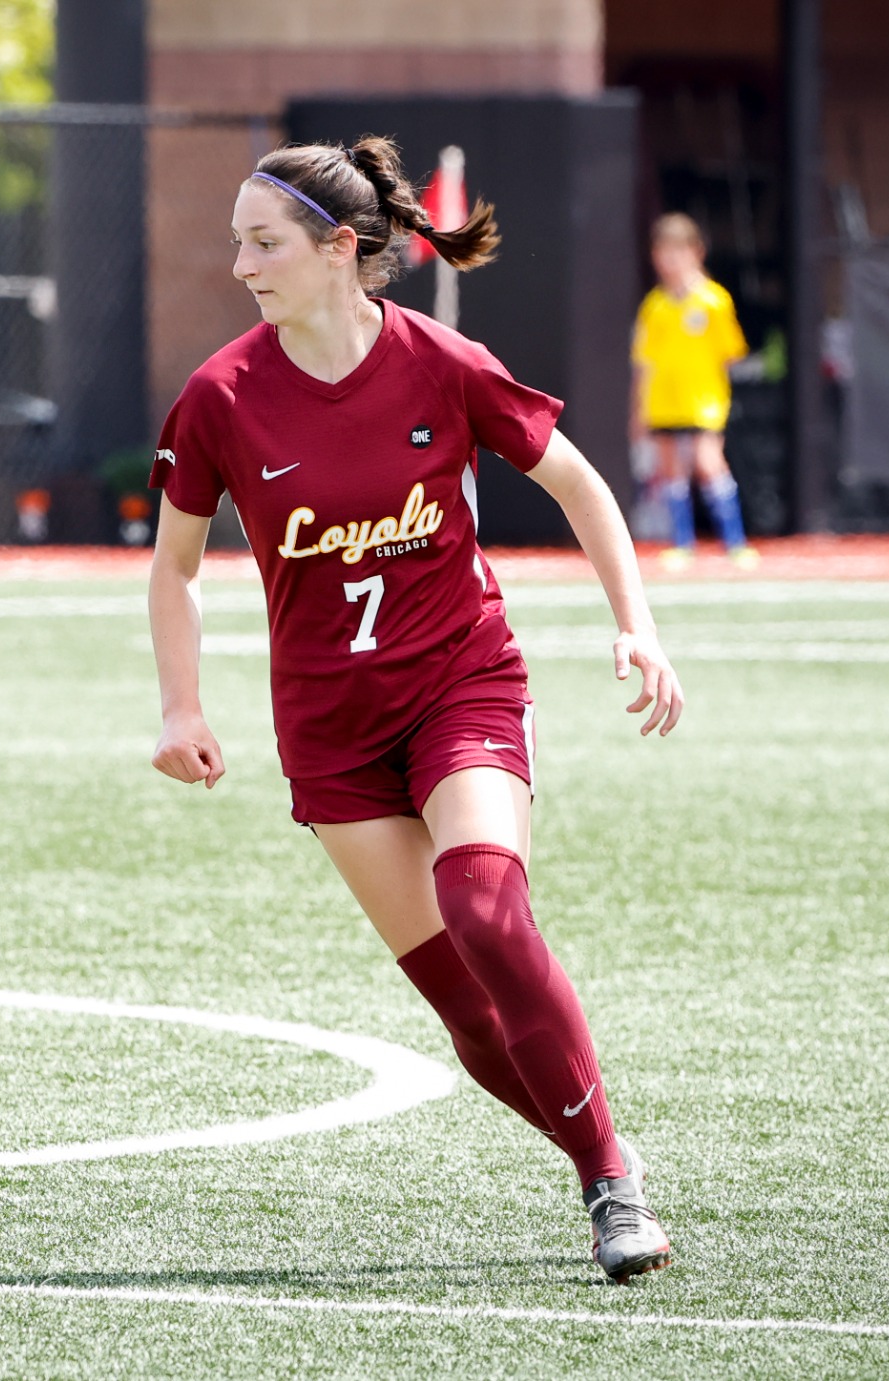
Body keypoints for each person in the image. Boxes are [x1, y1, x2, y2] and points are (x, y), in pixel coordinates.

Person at [146, 138, 684, 1282]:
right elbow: (176, 565)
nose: (239, 262)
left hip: (459, 683)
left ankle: (608, 1187)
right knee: (468, 1021)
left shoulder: (440, 362)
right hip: (330, 735)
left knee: (483, 905)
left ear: (341, 250)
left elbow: (580, 482)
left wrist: (634, 623)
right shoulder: (219, 396)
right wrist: (179, 705)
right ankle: (599, 1146)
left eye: (263, 241)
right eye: (235, 239)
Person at [631, 213, 756, 569]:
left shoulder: (714, 301)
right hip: (664, 402)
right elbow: (644, 361)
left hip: (704, 401)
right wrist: (637, 409)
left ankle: (735, 542)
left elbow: (732, 353)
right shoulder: (654, 305)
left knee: (708, 463)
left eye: (677, 251)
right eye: (662, 252)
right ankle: (683, 544)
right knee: (672, 471)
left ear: (696, 252)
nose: (669, 260)